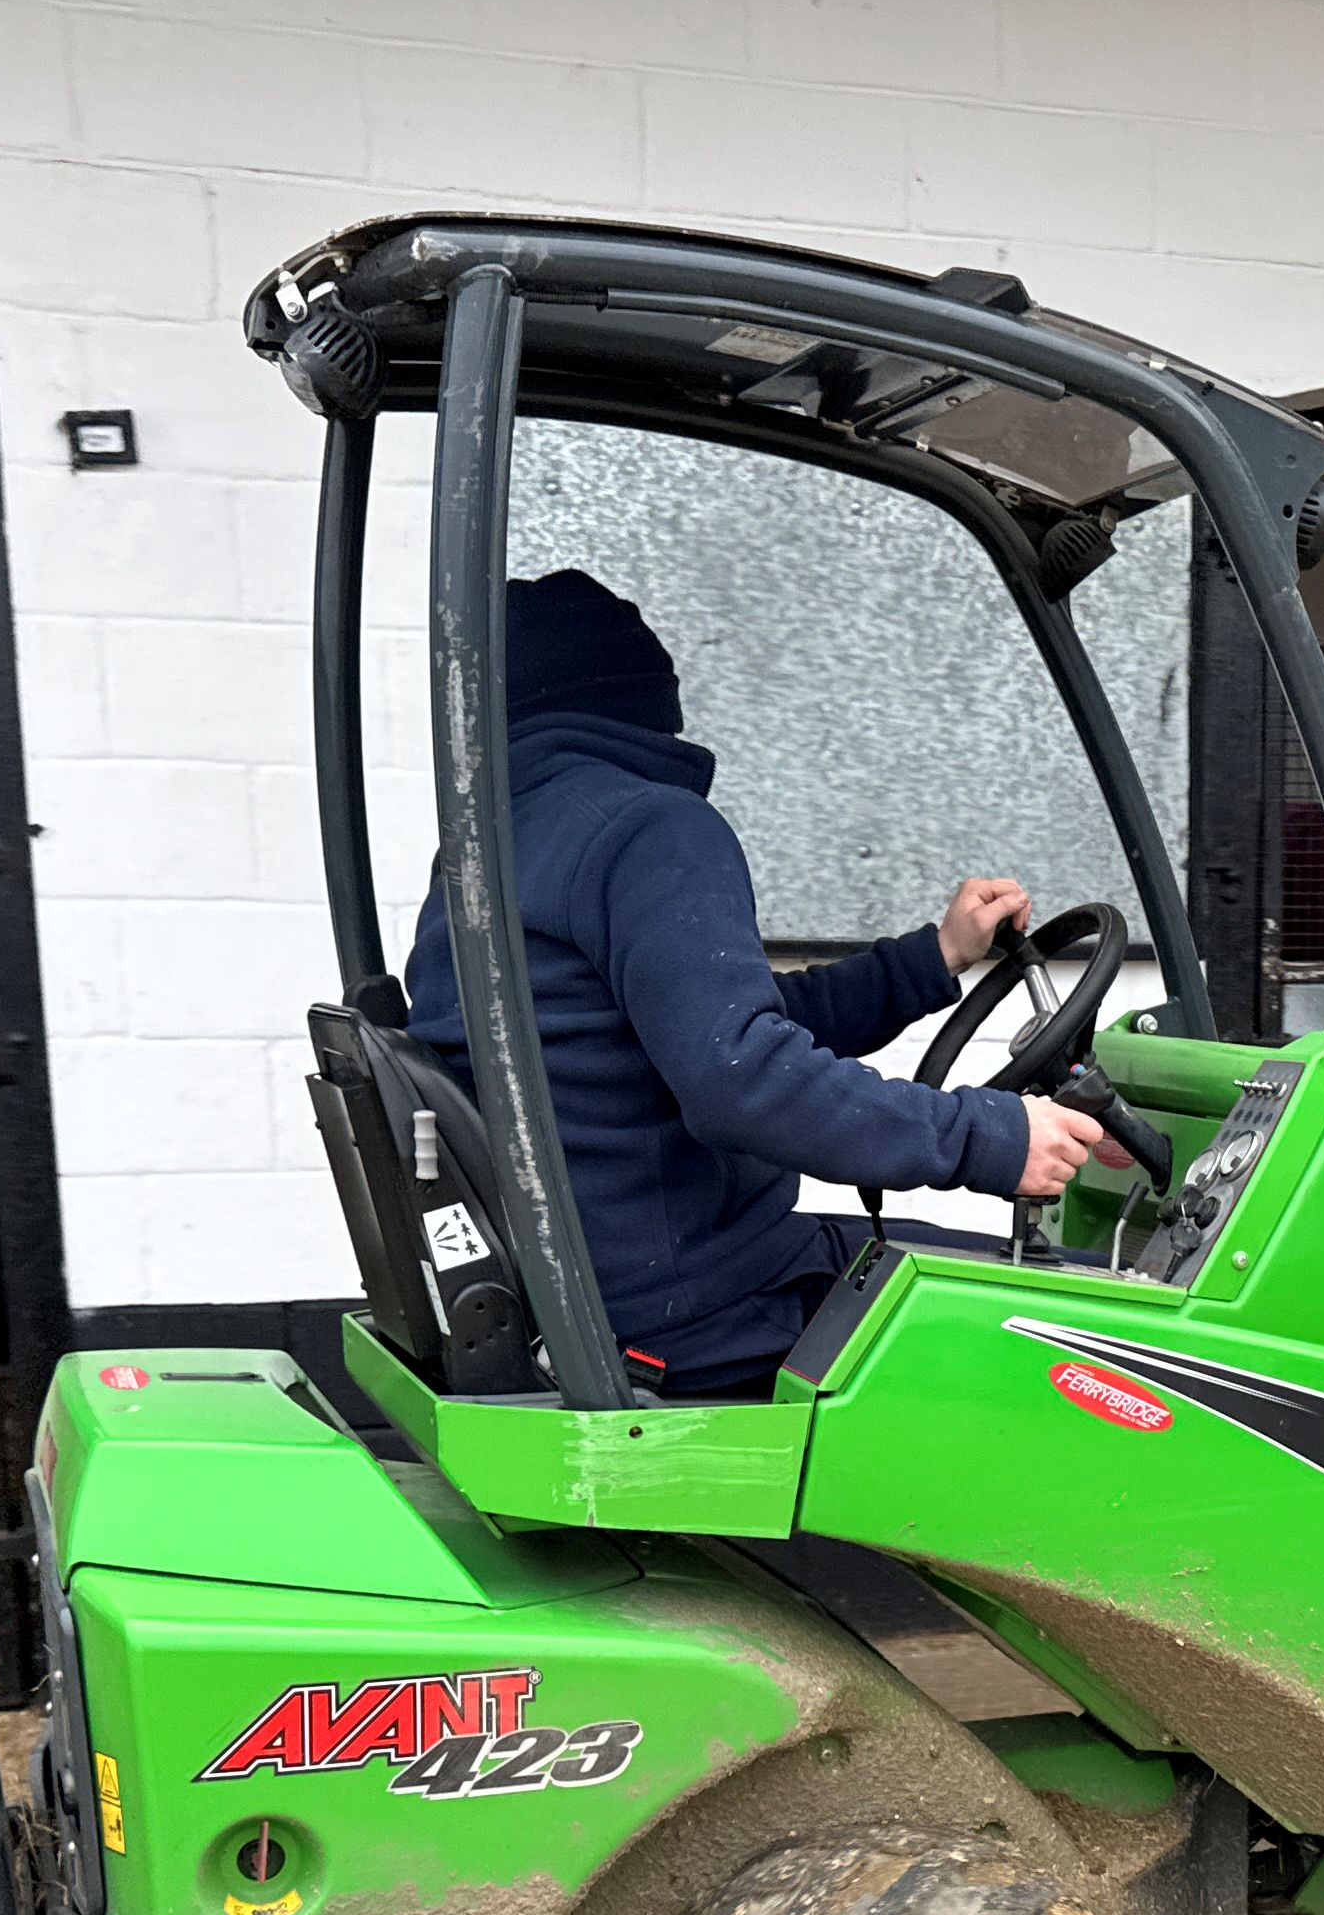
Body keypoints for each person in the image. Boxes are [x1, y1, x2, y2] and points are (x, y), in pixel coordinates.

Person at [402, 569, 1112, 1395]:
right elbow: (742, 1079)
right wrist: (989, 1138)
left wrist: (933, 958)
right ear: (636, 693)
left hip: (604, 1283)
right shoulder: (646, 828)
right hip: (699, 1308)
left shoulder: (491, 847)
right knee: (1095, 1327)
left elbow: (700, 1030)